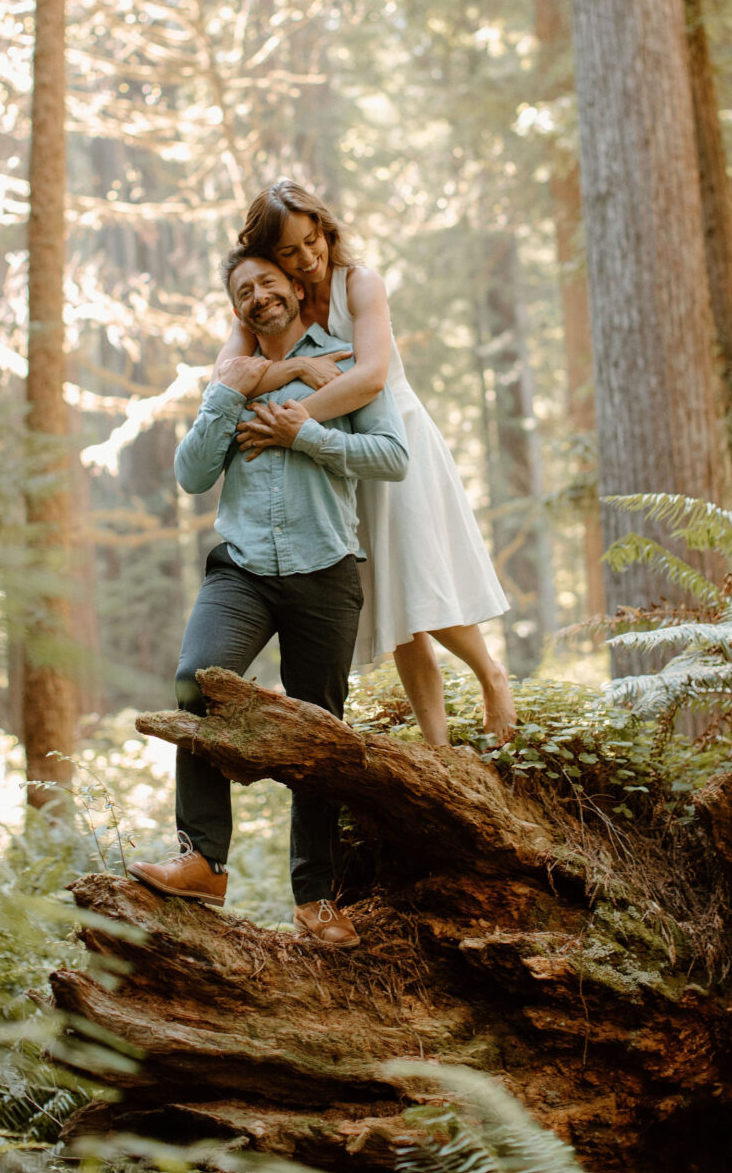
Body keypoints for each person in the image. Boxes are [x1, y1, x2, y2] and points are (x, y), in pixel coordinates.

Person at [130, 249, 408, 950]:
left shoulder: (344, 362)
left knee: (319, 731)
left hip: (325, 569)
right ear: (237, 308)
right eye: (243, 291)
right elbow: (192, 475)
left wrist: (303, 432)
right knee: (196, 682)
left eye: (268, 283)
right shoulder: (232, 373)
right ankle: (202, 861)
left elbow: (392, 456)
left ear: (294, 288)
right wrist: (237, 391)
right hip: (242, 571)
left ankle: (315, 899)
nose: (258, 297)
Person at [215, 179, 516, 749]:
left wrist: (289, 424)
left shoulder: (360, 284)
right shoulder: (268, 295)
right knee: (390, 602)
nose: (307, 258)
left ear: (326, 230)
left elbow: (371, 376)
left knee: (417, 578)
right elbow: (225, 378)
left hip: (389, 437)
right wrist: (293, 375)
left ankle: (491, 676)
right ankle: (438, 749)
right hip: (326, 457)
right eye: (288, 251)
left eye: (313, 241)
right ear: (266, 255)